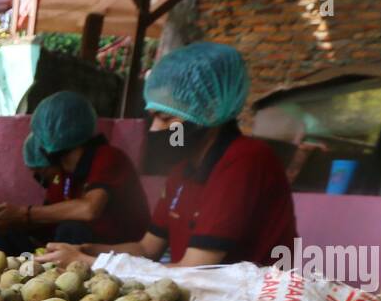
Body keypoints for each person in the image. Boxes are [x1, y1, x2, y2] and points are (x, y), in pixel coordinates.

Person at [40, 42, 296, 269]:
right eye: (153, 118)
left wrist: (89, 263)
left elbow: (194, 269)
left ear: (209, 113)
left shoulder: (245, 161)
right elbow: (146, 249)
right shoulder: (183, 171)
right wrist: (87, 249)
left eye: (166, 118)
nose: (155, 129)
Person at [0, 90, 149, 253]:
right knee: (6, 231)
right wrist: (10, 218)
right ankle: (20, 274)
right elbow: (50, 219)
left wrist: (23, 213)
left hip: (116, 249)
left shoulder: (108, 157)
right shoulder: (63, 173)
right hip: (78, 244)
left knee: (71, 229)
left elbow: (90, 210)